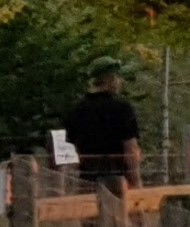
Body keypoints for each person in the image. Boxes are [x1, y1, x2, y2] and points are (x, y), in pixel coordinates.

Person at [61, 62, 144, 190]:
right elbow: (131, 150)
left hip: (88, 182)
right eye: (117, 77)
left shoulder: (77, 110)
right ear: (109, 80)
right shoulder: (122, 109)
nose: (120, 81)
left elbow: (74, 151)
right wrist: (137, 183)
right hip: (119, 183)